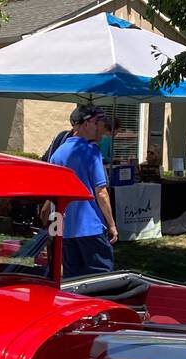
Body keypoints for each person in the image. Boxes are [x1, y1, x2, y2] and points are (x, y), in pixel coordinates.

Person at [50, 104, 117, 278]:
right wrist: (112, 225)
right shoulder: (91, 152)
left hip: (65, 230)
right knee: (101, 278)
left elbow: (53, 193)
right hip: (90, 227)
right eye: (97, 122)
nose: (99, 127)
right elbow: (101, 192)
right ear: (86, 123)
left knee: (73, 281)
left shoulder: (57, 154)